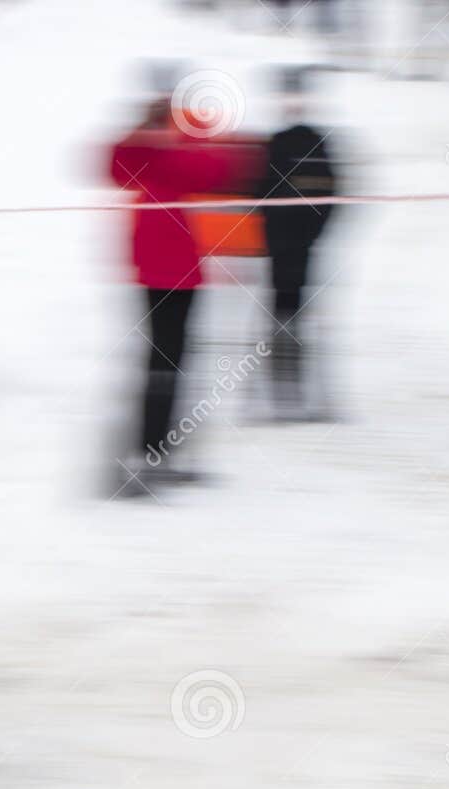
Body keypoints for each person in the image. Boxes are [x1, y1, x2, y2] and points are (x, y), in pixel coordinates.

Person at [107, 96, 237, 493]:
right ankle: (149, 456)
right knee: (164, 366)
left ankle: (156, 453)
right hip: (166, 276)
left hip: (175, 273)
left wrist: (173, 130)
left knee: (168, 365)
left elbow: (218, 168)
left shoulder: (163, 153)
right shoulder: (151, 156)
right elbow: (117, 165)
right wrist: (156, 131)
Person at [256, 67, 340, 421]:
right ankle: (281, 392)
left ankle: (297, 391)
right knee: (280, 315)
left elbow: (332, 193)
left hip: (303, 245)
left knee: (298, 316)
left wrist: (312, 234)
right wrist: (274, 236)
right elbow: (259, 192)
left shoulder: (317, 141)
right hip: (279, 245)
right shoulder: (275, 143)